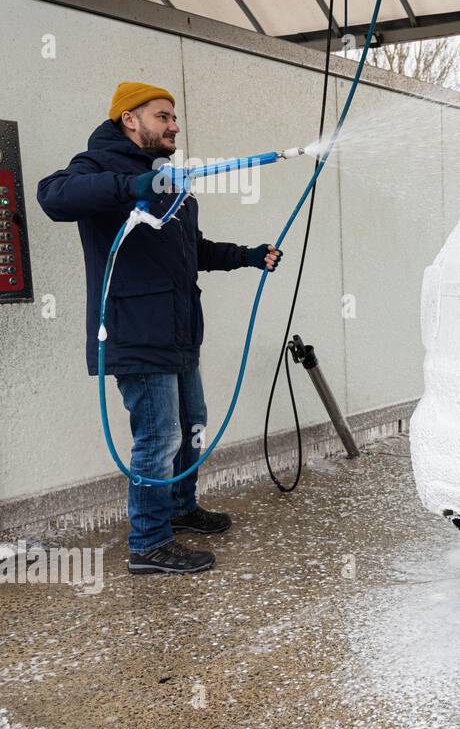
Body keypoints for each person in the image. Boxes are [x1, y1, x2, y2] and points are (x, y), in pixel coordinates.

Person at [37, 82, 284, 575]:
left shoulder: (168, 178)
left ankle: (178, 507)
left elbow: (190, 250)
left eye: (174, 118)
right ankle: (148, 544)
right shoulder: (98, 165)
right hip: (135, 330)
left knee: (193, 423)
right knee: (159, 437)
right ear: (130, 119)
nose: (174, 126)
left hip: (178, 328)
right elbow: (53, 196)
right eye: (163, 116)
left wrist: (247, 257)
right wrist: (132, 186)